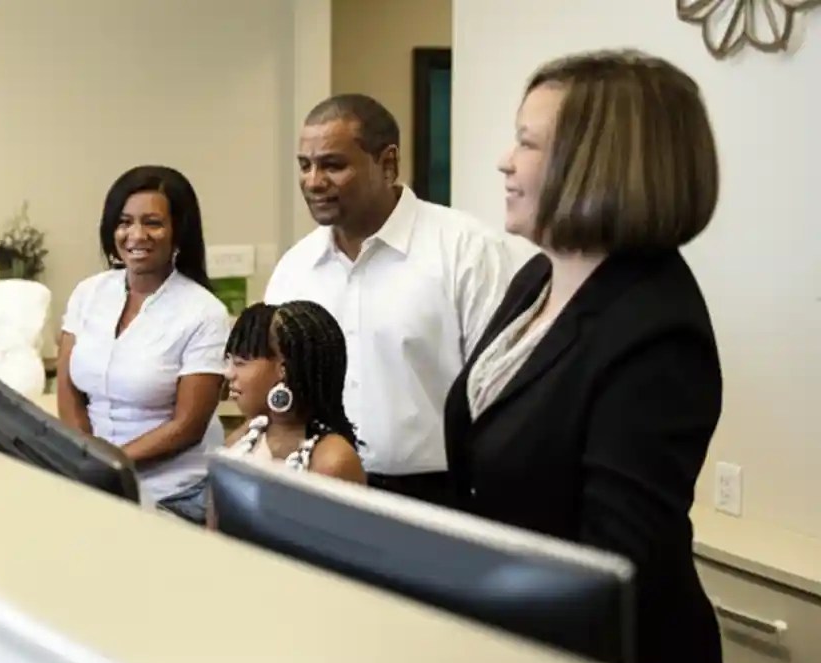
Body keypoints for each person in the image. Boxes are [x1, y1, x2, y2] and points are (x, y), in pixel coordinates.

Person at [442, 50, 727, 663]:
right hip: (519, 647)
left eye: (527, 142)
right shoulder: (538, 277)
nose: (504, 161)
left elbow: (614, 564)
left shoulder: (656, 330)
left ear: (594, 163)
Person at [265, 93, 515, 504]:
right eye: (305, 165)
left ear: (388, 163)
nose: (313, 181)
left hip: (438, 496)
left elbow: (502, 393)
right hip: (319, 487)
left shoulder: (468, 252)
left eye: (333, 164)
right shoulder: (295, 269)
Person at [56, 165, 229, 506]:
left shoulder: (205, 313)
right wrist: (85, 461)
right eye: (124, 222)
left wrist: (108, 466)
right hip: (97, 481)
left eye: (152, 223)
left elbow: (187, 428)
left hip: (174, 491)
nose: (136, 235)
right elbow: (67, 387)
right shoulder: (88, 293)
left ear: (178, 231)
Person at [222, 301, 364, 484]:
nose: (228, 373)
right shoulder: (240, 441)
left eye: (241, 362)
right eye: (228, 361)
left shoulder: (333, 461)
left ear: (285, 369)